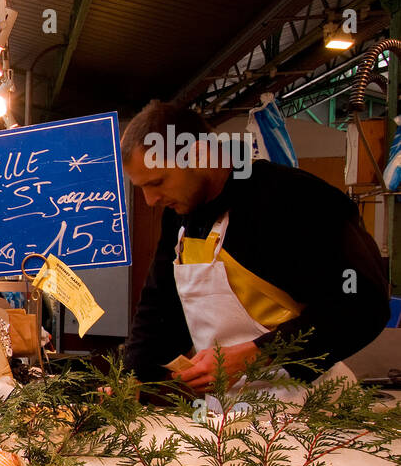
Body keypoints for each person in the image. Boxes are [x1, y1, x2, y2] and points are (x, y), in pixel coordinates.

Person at [121, 100, 389, 391]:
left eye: (158, 182)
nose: (150, 200)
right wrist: (129, 380)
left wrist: (257, 354)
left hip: (308, 404)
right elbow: (159, 308)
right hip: (228, 408)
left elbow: (362, 305)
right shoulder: (180, 218)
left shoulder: (293, 199)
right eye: (142, 187)